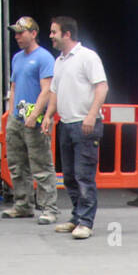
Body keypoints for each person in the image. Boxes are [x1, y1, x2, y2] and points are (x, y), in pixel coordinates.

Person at [46, 16, 108, 240]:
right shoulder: (60, 61)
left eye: (54, 32)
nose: (51, 36)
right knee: (70, 176)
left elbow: (101, 86)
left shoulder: (87, 57)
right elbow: (55, 91)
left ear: (67, 34)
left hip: (84, 124)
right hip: (66, 123)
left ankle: (85, 221)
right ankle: (76, 216)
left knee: (84, 175)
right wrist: (49, 116)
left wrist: (91, 115)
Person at [3, 16, 58, 224]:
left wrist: (35, 115)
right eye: (15, 33)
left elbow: (47, 89)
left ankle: (49, 208)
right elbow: (14, 87)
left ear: (33, 34)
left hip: (33, 119)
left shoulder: (44, 58)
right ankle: (23, 204)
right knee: (17, 165)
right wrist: (10, 115)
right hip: (17, 118)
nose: (17, 36)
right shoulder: (17, 58)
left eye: (21, 32)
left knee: (41, 164)